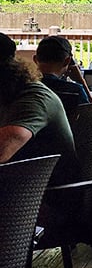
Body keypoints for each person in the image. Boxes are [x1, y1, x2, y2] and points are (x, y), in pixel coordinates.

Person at [0, 56, 78, 186]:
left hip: (45, 194)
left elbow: (2, 151)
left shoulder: (33, 99)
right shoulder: (10, 92)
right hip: (20, 182)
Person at [34, 35, 92, 105]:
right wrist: (81, 81)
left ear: (35, 59)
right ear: (67, 61)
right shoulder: (75, 91)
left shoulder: (24, 86)